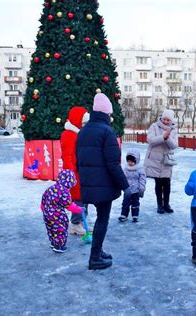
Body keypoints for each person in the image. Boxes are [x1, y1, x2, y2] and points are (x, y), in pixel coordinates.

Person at [77, 93, 130, 270]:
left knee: (100, 219)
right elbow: (113, 164)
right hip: (104, 185)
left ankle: (98, 251)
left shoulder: (83, 131)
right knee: (102, 219)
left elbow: (80, 161)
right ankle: (94, 258)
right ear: (107, 113)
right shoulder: (107, 132)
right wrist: (125, 186)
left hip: (89, 183)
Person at [60, 106, 90, 236]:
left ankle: (81, 222)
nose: (85, 125)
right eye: (83, 123)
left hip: (82, 171)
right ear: (77, 121)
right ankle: (75, 224)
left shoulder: (80, 133)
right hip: (74, 173)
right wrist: (71, 175)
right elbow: (67, 156)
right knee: (78, 198)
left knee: (84, 197)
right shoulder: (69, 135)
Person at [40, 169, 84, 253]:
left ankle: (53, 242)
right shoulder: (64, 192)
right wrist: (79, 209)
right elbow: (69, 205)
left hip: (46, 214)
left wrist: (44, 210)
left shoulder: (50, 188)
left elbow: (43, 200)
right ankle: (59, 246)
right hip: (57, 215)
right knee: (61, 229)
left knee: (51, 229)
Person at [144, 109, 178, 214]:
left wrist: (168, 138)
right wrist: (162, 137)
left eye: (168, 120)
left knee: (167, 183)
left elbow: (174, 145)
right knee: (158, 183)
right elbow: (150, 140)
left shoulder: (173, 130)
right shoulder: (154, 126)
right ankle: (159, 205)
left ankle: (166, 204)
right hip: (155, 160)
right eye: (164, 119)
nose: (166, 121)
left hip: (167, 160)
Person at [118, 149, 146, 223]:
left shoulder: (140, 169)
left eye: (132, 161)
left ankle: (135, 215)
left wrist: (142, 188)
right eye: (128, 161)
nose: (130, 163)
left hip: (136, 190)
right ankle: (124, 215)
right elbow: (122, 178)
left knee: (135, 204)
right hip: (127, 190)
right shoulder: (125, 169)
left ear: (136, 161)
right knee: (125, 203)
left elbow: (142, 179)